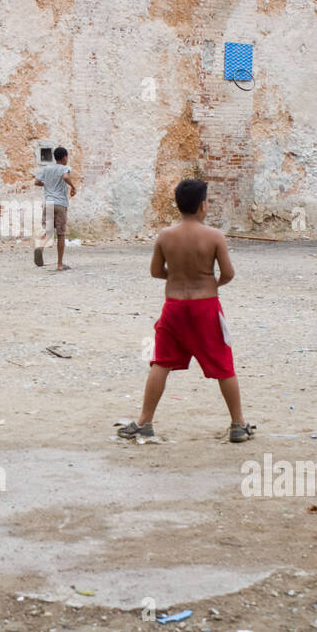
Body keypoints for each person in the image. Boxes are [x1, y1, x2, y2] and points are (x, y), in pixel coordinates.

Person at [116, 178, 253, 443]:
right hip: (206, 306)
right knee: (223, 365)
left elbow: (156, 271)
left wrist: (177, 275)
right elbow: (228, 273)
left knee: (161, 362)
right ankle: (238, 424)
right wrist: (211, 282)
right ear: (203, 205)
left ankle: (144, 422)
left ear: (178, 205)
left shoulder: (166, 236)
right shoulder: (214, 236)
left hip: (174, 307)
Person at [33, 147, 77, 270]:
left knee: (49, 232)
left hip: (48, 203)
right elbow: (65, 177)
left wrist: (46, 184)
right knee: (61, 235)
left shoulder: (46, 169)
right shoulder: (65, 168)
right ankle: (59, 264)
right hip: (60, 204)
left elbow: (36, 182)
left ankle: (40, 247)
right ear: (65, 157)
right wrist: (73, 186)